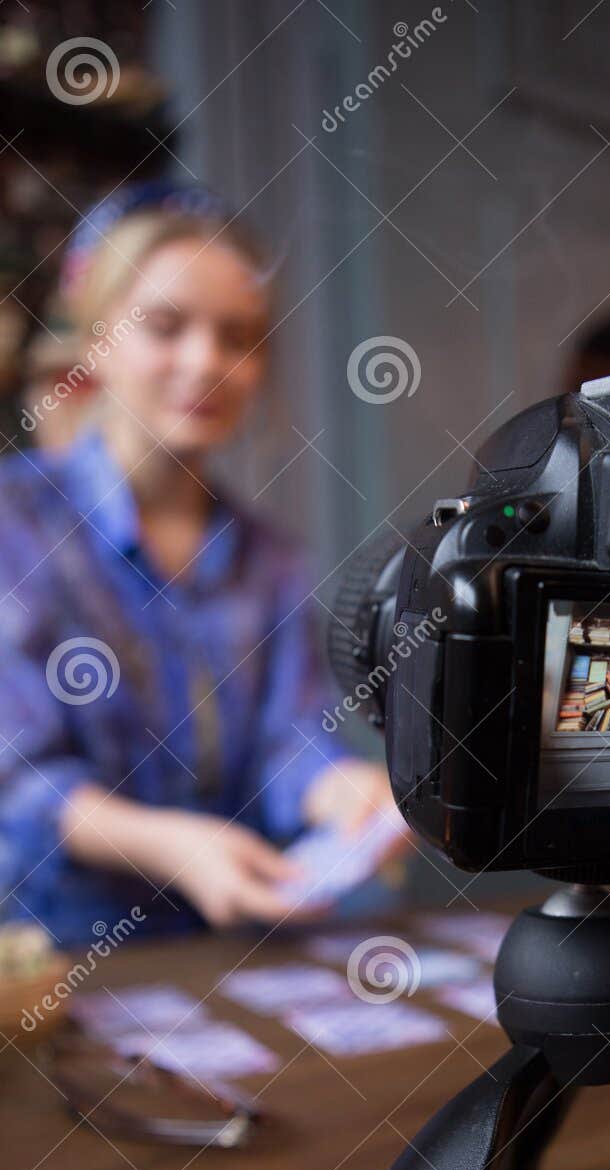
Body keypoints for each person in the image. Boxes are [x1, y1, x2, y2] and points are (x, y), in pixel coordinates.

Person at [0, 183, 399, 946]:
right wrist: (171, 847)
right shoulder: (14, 524)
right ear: (96, 341)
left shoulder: (271, 555)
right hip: (56, 965)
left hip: (240, 953)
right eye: (165, 326)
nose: (206, 362)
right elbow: (19, 782)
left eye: (239, 336)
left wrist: (338, 788)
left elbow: (289, 741)